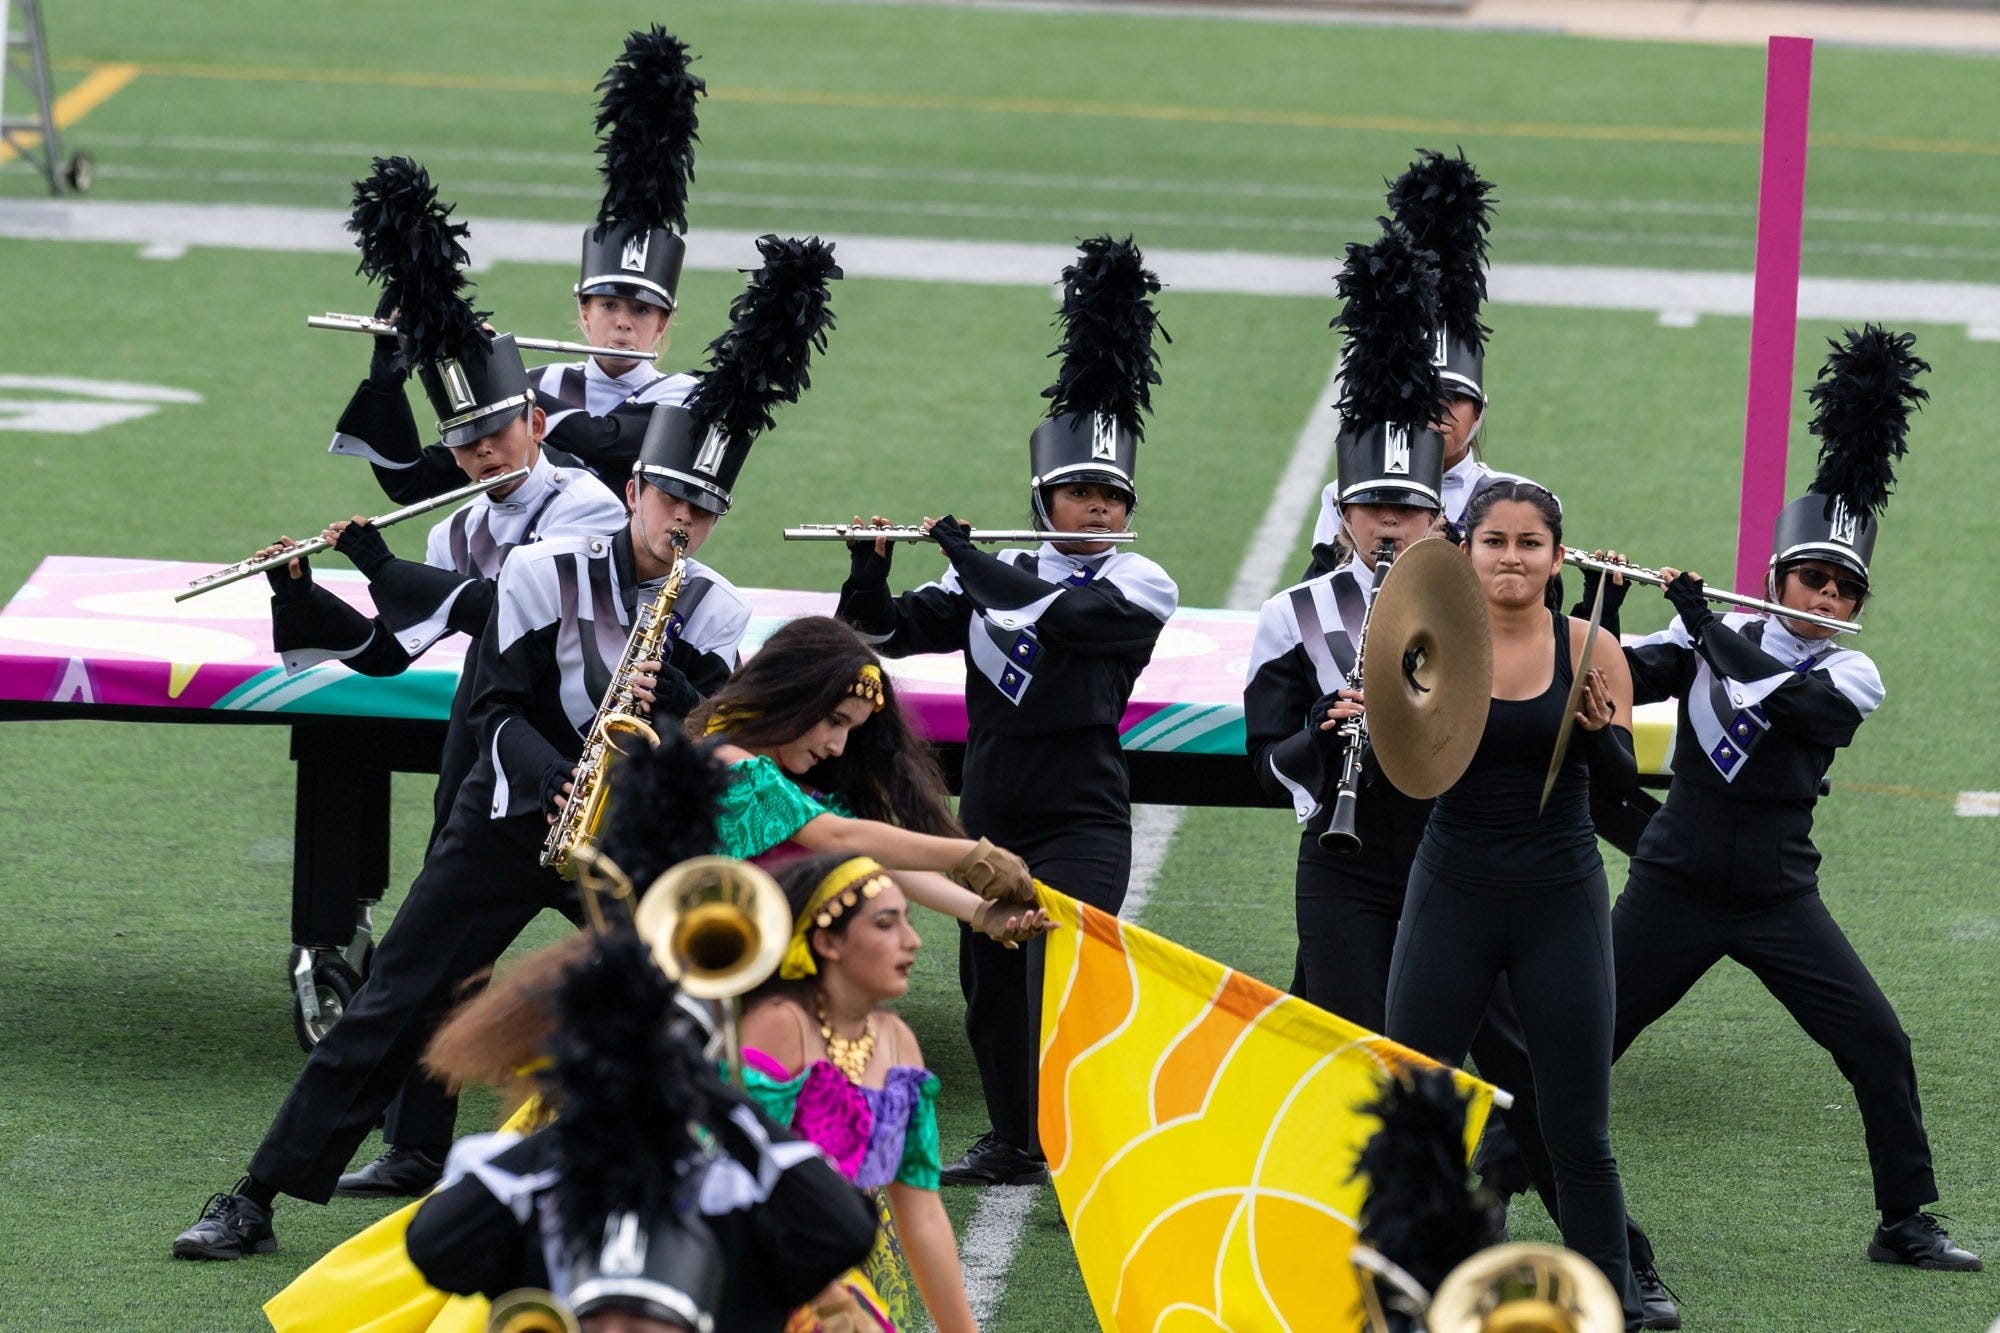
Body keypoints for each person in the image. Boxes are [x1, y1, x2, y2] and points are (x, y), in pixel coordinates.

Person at [170, 236, 839, 1262]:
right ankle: (257, 1192)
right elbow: (490, 711)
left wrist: (666, 726)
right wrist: (555, 775)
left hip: (629, 830)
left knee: (701, 998)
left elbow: (723, 737)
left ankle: (732, 1206)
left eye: (705, 509)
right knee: (392, 997)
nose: (686, 523)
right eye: (672, 500)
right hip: (514, 811)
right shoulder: (541, 573)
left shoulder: (712, 608)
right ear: (632, 493)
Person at [1513, 327, 1979, 1274]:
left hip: (1777, 897)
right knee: (1572, 1047)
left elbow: (1775, 695)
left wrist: (1697, 619)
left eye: (1845, 590)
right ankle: (1483, 1186)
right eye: (1811, 579)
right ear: (1776, 578)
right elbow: (1609, 675)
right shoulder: (1709, 640)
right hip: (1673, 884)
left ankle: (1906, 1219)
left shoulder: (1851, 675)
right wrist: (1589, 598)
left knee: (1879, 1043)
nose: (1826, 599)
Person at [837, 236, 1178, 1188]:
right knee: (990, 988)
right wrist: (872, 568)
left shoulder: (1140, 580)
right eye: (1080, 493)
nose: (1098, 510)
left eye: (1112, 496)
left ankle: (1086, 1137)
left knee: (1061, 980)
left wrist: (965, 557)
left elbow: (1056, 616)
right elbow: (885, 634)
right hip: (987, 809)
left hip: (1081, 811)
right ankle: (1017, 1138)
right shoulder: (999, 575)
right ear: (1043, 494)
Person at [1380, 479, 1641, 1324]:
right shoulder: (1430, 645)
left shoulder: (1593, 647)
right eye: (1495, 541)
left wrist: (1600, 738)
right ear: (1465, 550)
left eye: (1531, 544)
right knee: (1414, 1108)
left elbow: (1625, 794)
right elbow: (1401, 772)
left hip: (1559, 899)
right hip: (1452, 890)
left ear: (1559, 558)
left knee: (1577, 1131)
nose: (1512, 558)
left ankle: (1616, 1306)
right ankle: (1398, 1295)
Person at [402, 923, 880, 1333]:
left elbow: (846, 1234)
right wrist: (585, 1118)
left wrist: (714, 1100)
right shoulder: (533, 1181)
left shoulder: (739, 1186)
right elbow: (434, 1248)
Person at [330, 28, 704, 504]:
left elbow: (602, 440)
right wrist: (389, 380)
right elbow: (414, 483)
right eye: (609, 305)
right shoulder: (538, 383)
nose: (624, 323)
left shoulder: (684, 398)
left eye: (642, 311)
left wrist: (499, 377)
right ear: (584, 311)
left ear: (664, 321)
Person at [692, 614, 1051, 944]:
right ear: (790, 695)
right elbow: (840, 836)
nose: (838, 747)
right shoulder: (726, 762)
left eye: (851, 729)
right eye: (835, 720)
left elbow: (876, 856)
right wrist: (969, 854)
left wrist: (981, 912)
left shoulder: (791, 784)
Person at [739, 853, 980, 1332]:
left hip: (837, 1277)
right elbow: (738, 1189)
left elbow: (923, 1213)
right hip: (753, 1283)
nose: (912, 942)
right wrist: (828, 1300)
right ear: (827, 941)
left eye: (907, 922)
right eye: (886, 924)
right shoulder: (779, 1027)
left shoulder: (897, 1044)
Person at [1305, 150, 1507, 579]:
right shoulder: (1343, 493)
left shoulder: (1512, 496)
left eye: (1456, 397)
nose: (1440, 410)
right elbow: (1326, 596)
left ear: (1480, 410)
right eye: (1429, 395)